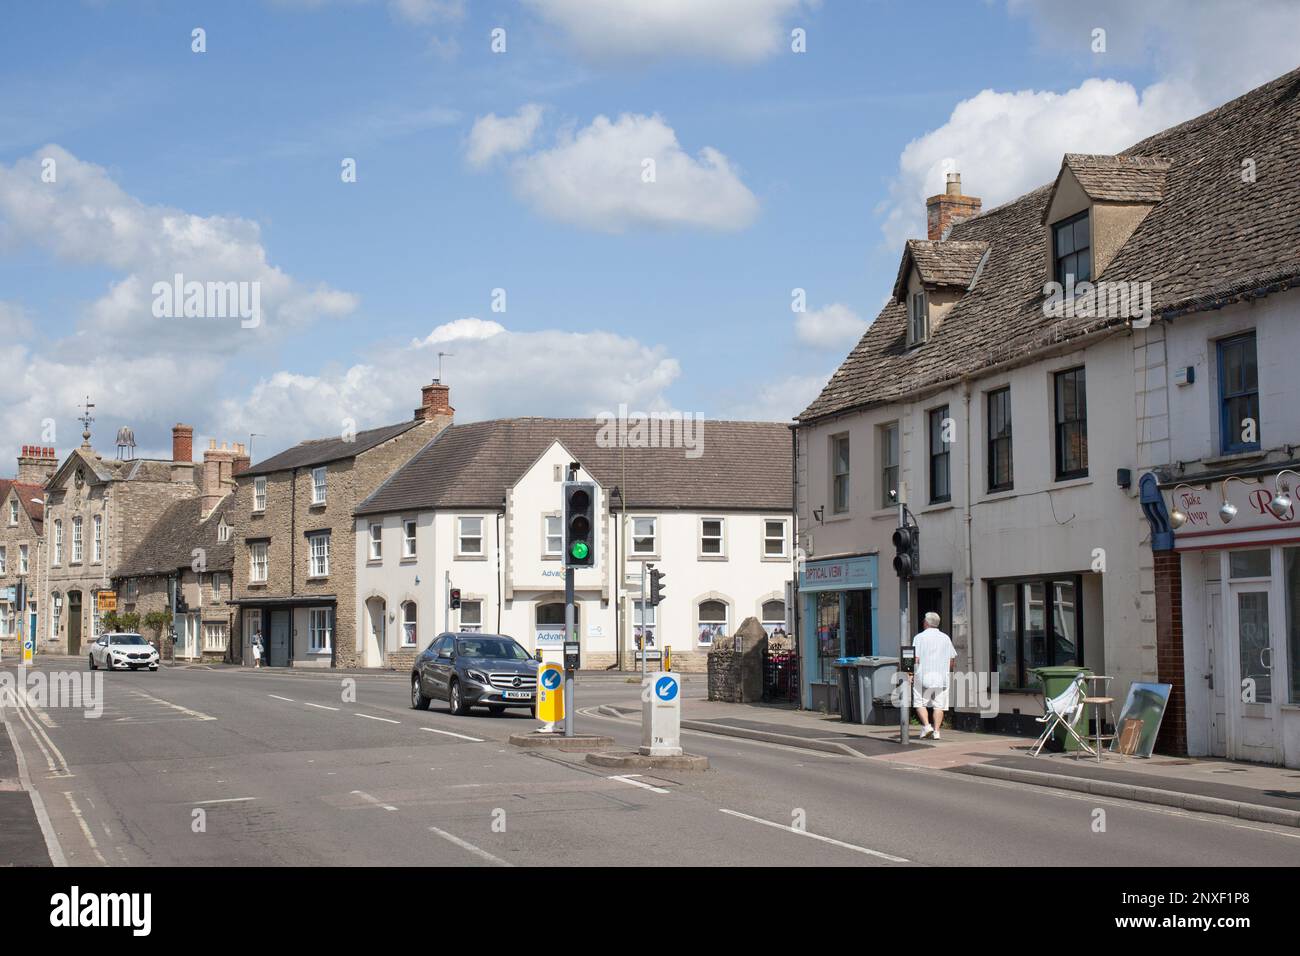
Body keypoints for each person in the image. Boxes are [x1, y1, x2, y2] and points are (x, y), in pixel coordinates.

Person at [910, 611, 957, 740]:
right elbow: (951, 660)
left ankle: (927, 726)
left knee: (919, 703)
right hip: (941, 677)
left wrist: (910, 673)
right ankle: (936, 731)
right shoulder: (945, 638)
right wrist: (946, 671)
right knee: (939, 705)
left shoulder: (919, 637)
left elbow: (916, 658)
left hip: (922, 675)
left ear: (926, 622)